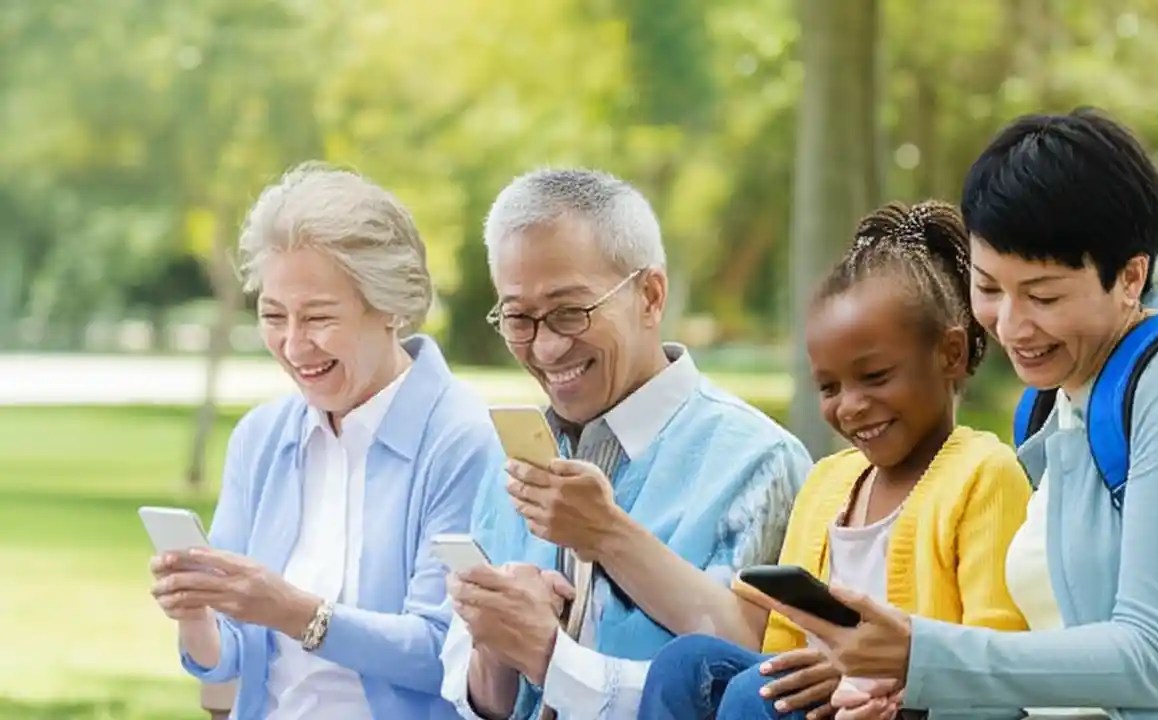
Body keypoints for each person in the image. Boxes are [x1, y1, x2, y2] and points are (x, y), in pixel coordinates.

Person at [763, 109, 1158, 720]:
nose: (1010, 326)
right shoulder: (1057, 403)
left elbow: (1152, 659)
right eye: (988, 288)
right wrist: (910, 691)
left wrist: (920, 654)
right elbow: (1048, 651)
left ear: (1131, 276)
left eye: (1043, 296)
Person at [438, 168, 813, 719]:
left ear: (650, 296)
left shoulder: (759, 462)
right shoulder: (511, 457)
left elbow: (747, 683)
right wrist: (496, 641)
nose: (545, 348)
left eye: (570, 312)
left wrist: (604, 542)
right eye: (519, 318)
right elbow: (482, 702)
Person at [637, 201, 1032, 720]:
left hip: (914, 710)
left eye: (875, 377)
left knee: (755, 696)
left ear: (950, 354)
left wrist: (880, 689)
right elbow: (781, 647)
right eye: (829, 386)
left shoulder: (984, 475)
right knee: (687, 663)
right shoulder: (828, 483)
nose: (849, 405)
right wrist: (821, 680)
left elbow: (998, 671)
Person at [148, 163, 506, 719]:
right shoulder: (262, 438)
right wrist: (196, 613)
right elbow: (227, 660)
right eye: (273, 315)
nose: (293, 345)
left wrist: (295, 611)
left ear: (389, 307)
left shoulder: (461, 440)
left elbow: (447, 653)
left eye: (318, 317)